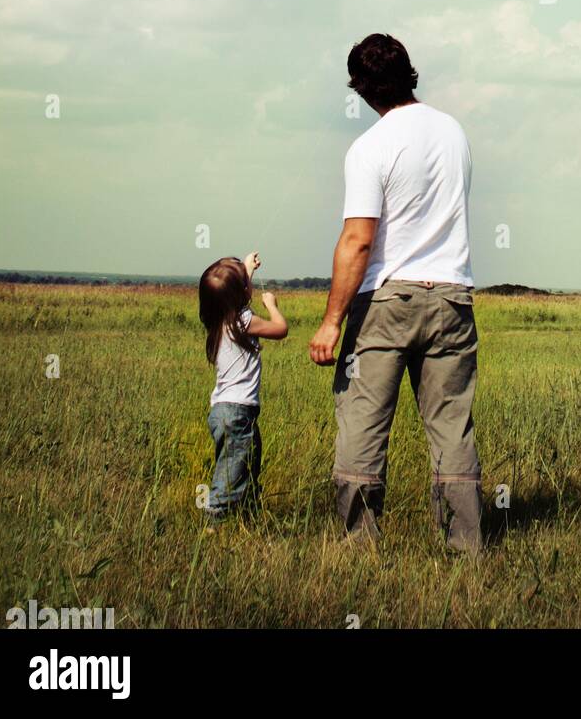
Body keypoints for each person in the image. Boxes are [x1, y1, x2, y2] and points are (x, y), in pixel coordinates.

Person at [309, 34, 483, 553]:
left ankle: (359, 548)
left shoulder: (370, 147)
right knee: (452, 427)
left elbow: (359, 239)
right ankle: (465, 548)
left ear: (360, 89)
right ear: (410, 72)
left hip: (386, 301)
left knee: (363, 420)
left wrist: (331, 321)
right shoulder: (454, 132)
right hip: (453, 297)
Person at [198, 251, 287, 522]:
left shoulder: (219, 320)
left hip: (223, 411)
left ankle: (246, 513)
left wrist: (248, 269)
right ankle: (214, 519)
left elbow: (235, 291)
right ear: (240, 294)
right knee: (232, 469)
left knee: (244, 463)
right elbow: (280, 329)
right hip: (238, 412)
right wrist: (271, 304)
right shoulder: (243, 321)